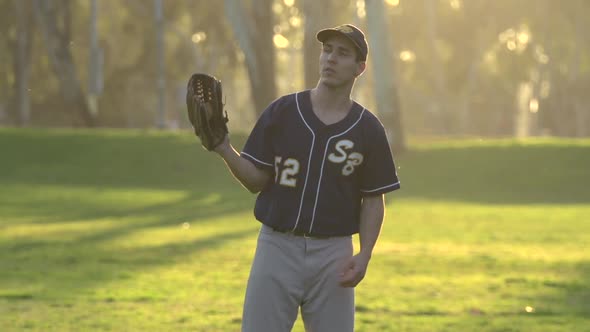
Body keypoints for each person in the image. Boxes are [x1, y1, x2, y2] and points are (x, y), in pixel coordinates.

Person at [213, 23, 400, 332]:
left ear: (360, 68)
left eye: (342, 54)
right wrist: (223, 148)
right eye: (327, 51)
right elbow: (256, 180)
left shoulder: (368, 130)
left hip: (334, 254)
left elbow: (373, 199)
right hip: (277, 246)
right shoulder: (283, 112)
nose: (331, 59)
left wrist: (364, 254)